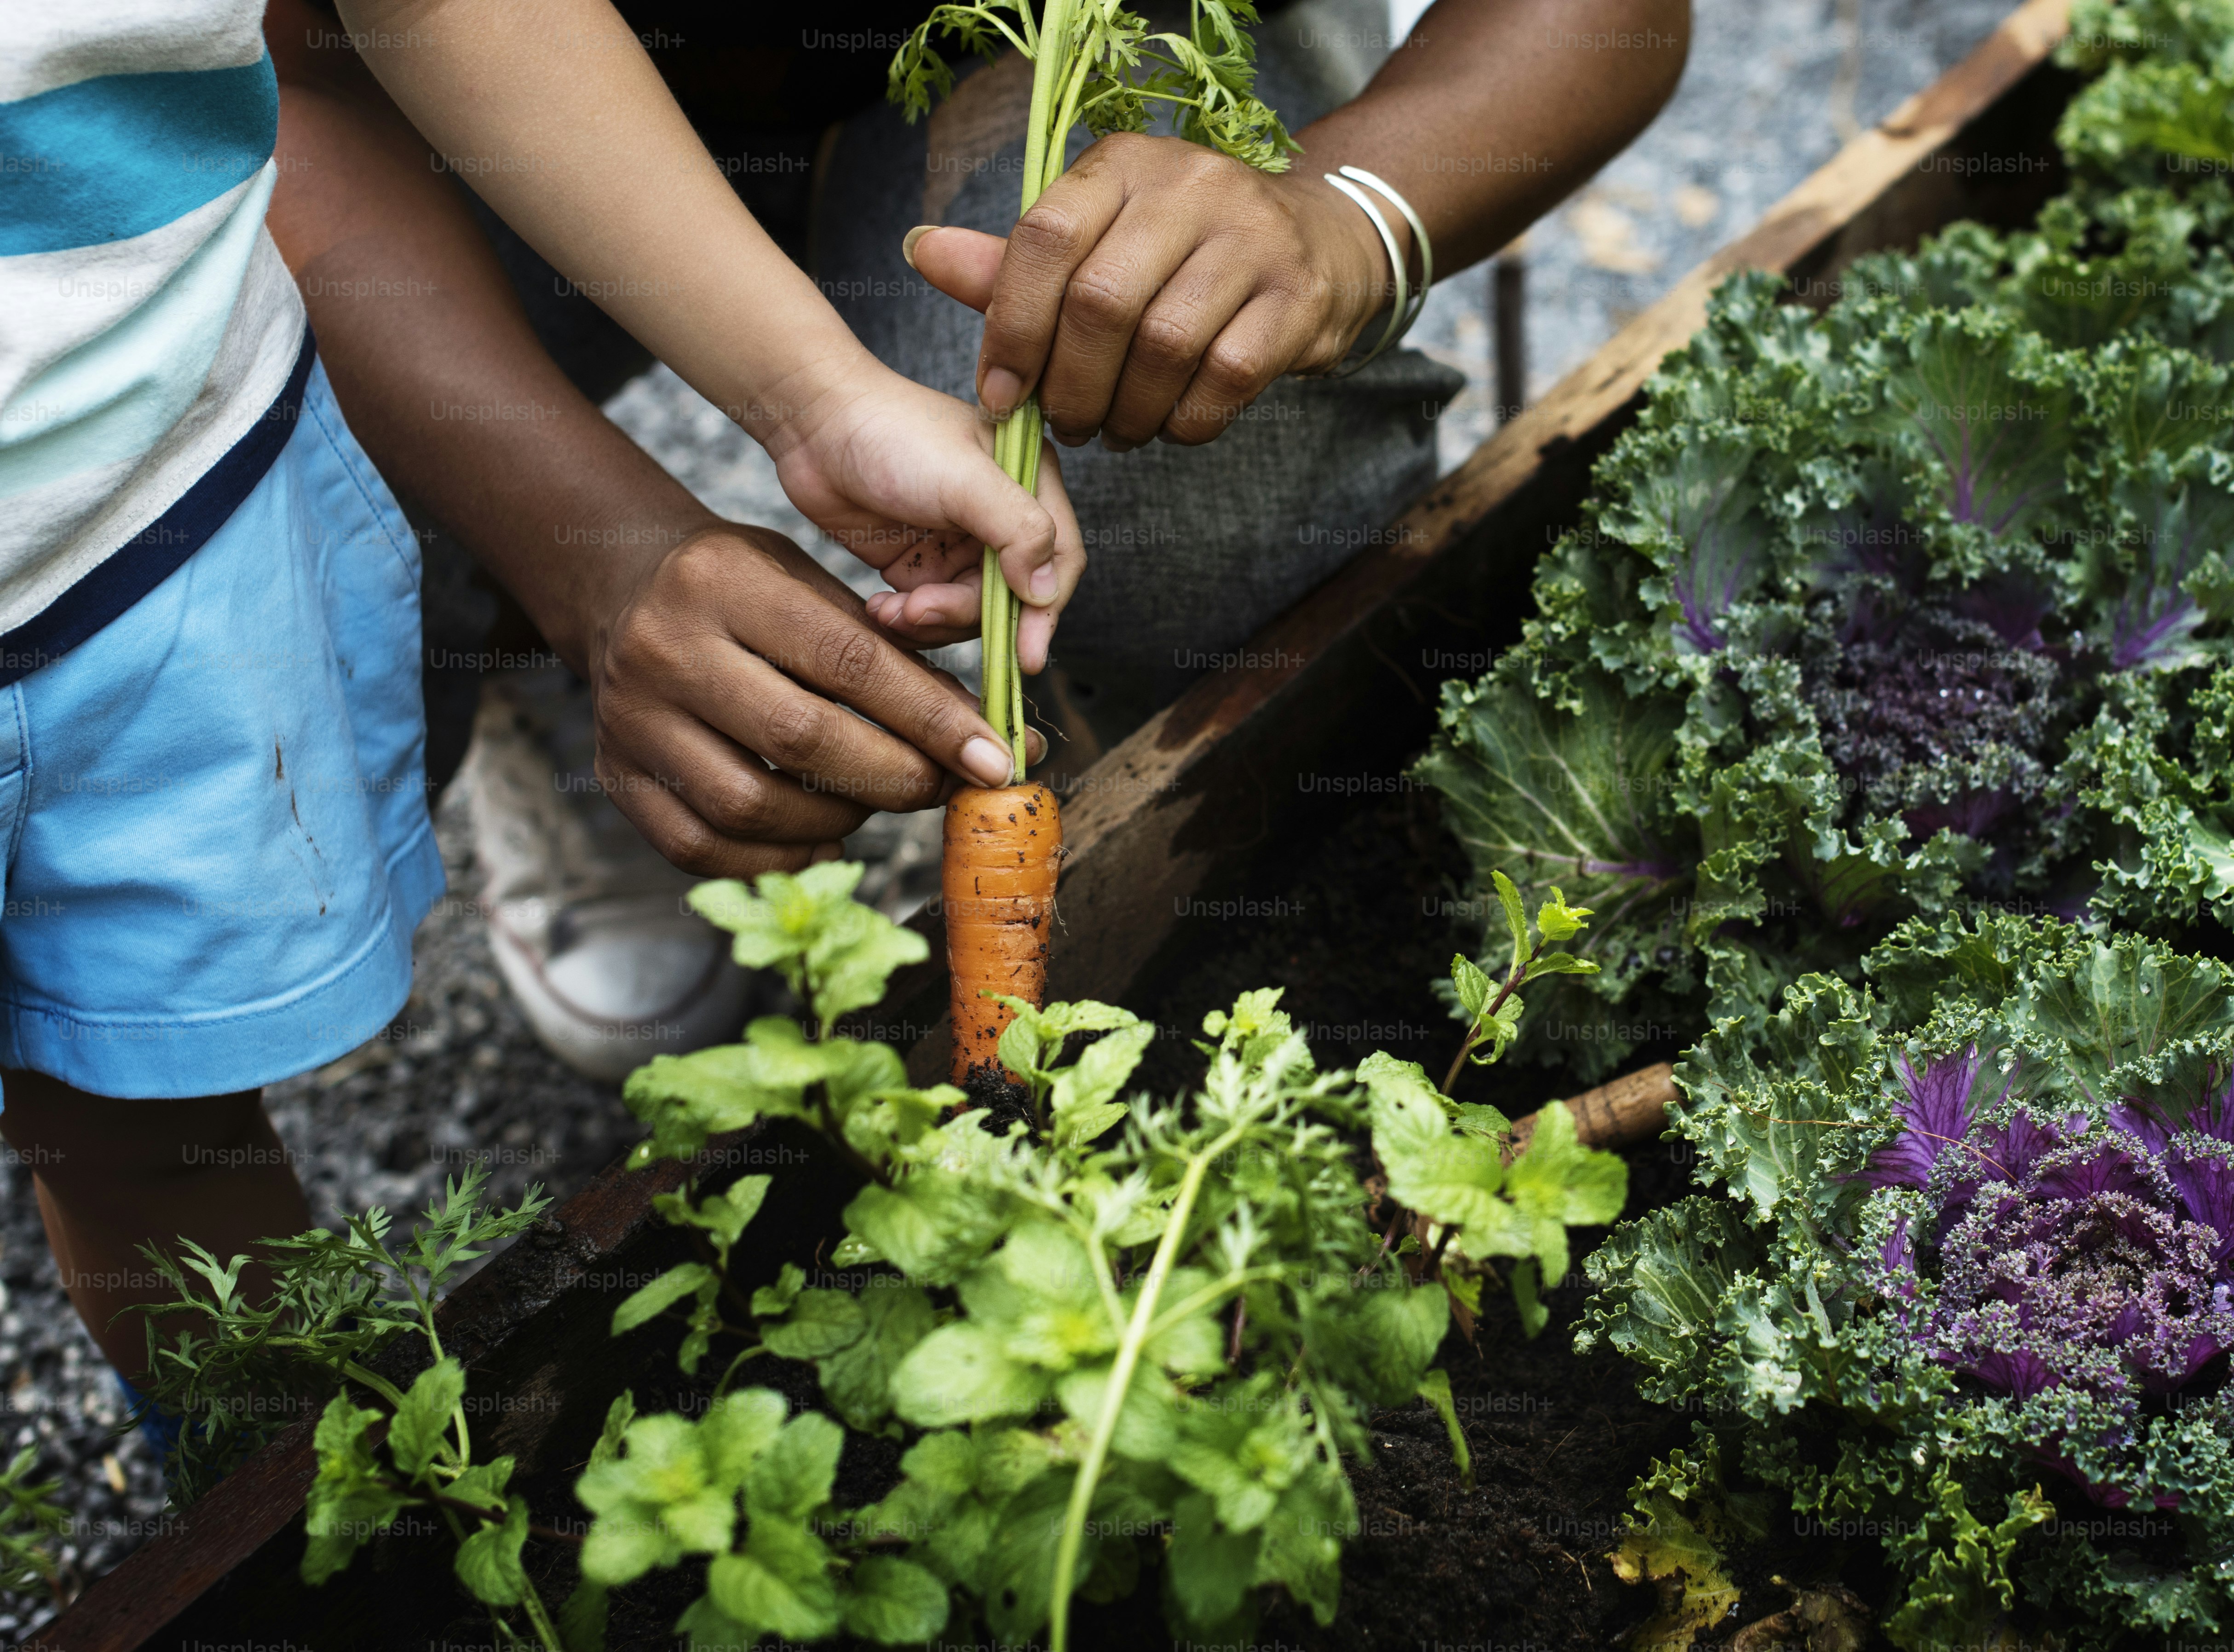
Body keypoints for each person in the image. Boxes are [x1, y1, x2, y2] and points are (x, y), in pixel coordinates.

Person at [273, 0, 1690, 1076]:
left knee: (1190, 463)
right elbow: (265, 78)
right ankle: (523, 649)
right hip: (449, 74)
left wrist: (1337, 222)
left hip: (1010, 55)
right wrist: (595, 564)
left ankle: (1124, 901)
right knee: (271, 491)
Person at [0, 0, 1080, 1392]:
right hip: (142, 498)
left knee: (142, 1123)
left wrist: (812, 400)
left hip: (157, 543)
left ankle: (281, 1508)